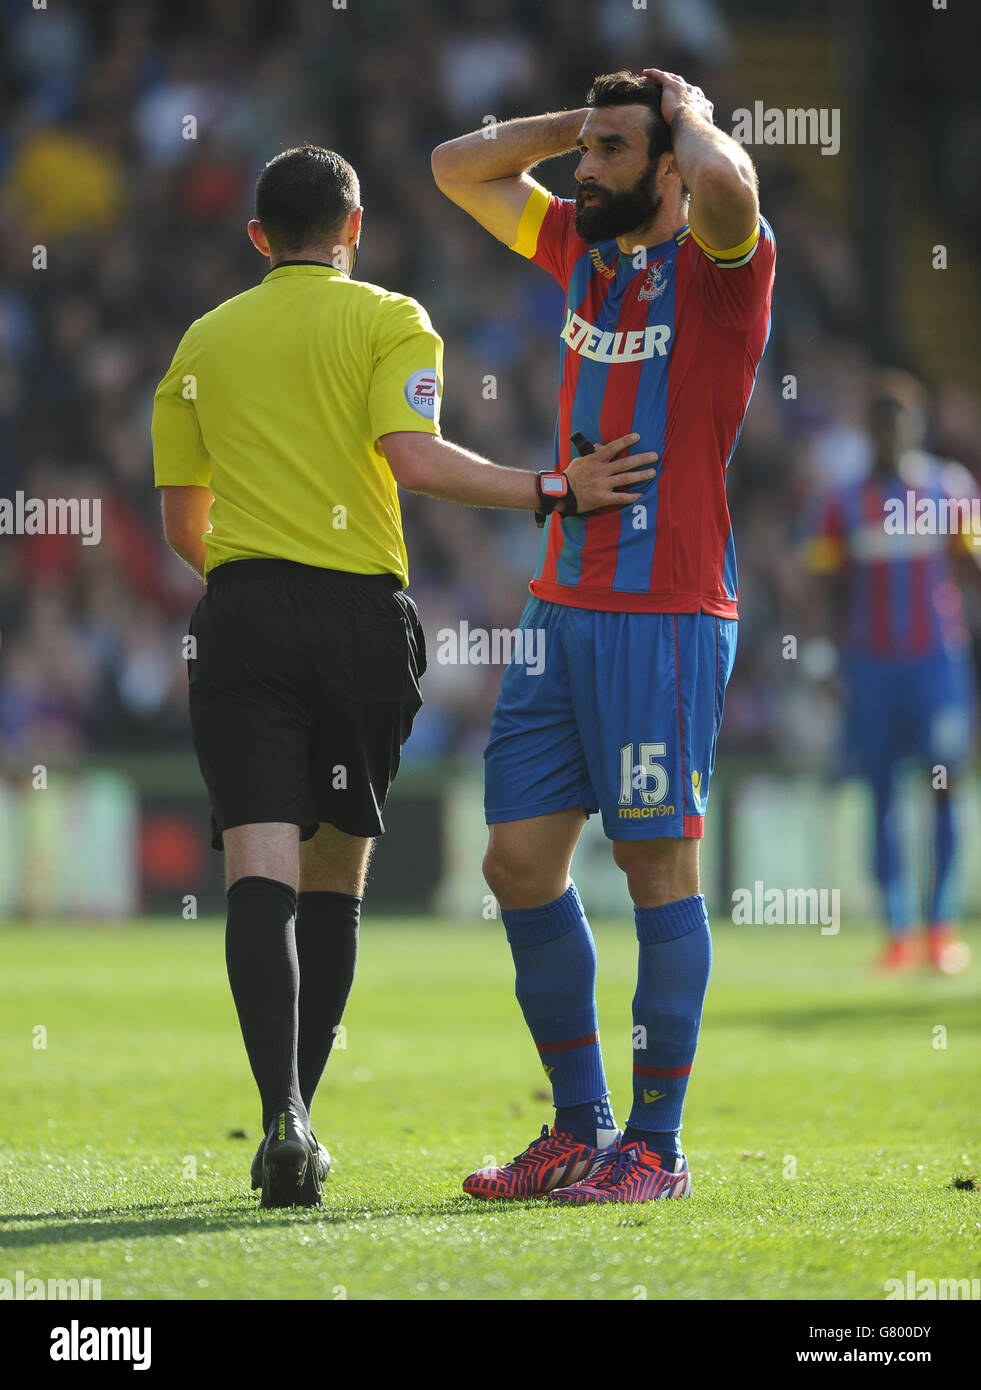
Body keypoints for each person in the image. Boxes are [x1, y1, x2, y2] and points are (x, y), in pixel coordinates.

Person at [151, 143, 655, 1207]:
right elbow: (414, 458)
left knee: (257, 867)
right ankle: (300, 1114)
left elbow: (180, 523)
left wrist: (252, 574)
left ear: (257, 239)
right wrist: (556, 486)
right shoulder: (390, 318)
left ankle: (282, 1111)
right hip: (354, 619)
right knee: (334, 877)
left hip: (239, 615)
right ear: (357, 226)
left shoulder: (200, 340)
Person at [432, 67, 775, 1203]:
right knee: (517, 862)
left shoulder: (724, 273)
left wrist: (689, 118)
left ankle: (657, 1146)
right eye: (584, 153)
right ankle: (577, 1128)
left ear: (669, 165)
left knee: (653, 865)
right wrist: (579, 122)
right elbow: (453, 167)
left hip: (666, 614)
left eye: (611, 154)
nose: (582, 172)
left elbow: (731, 180)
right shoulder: (583, 248)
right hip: (560, 606)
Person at [805, 370, 976, 975]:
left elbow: (974, 563)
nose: (888, 437)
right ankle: (899, 929)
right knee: (880, 795)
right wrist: (822, 657)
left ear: (914, 429)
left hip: (937, 665)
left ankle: (941, 929)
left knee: (943, 788)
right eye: (878, 428)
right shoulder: (841, 502)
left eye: (897, 426)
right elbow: (821, 586)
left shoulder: (950, 489)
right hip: (870, 666)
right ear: (868, 432)